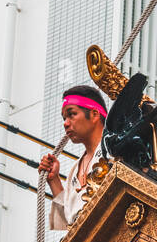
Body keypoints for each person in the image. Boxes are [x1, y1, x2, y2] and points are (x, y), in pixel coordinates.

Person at [40, 85, 107, 230]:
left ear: (95, 114)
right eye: (64, 118)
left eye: (71, 114)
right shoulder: (75, 169)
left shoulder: (113, 150)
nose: (65, 123)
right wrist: (54, 180)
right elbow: (66, 224)